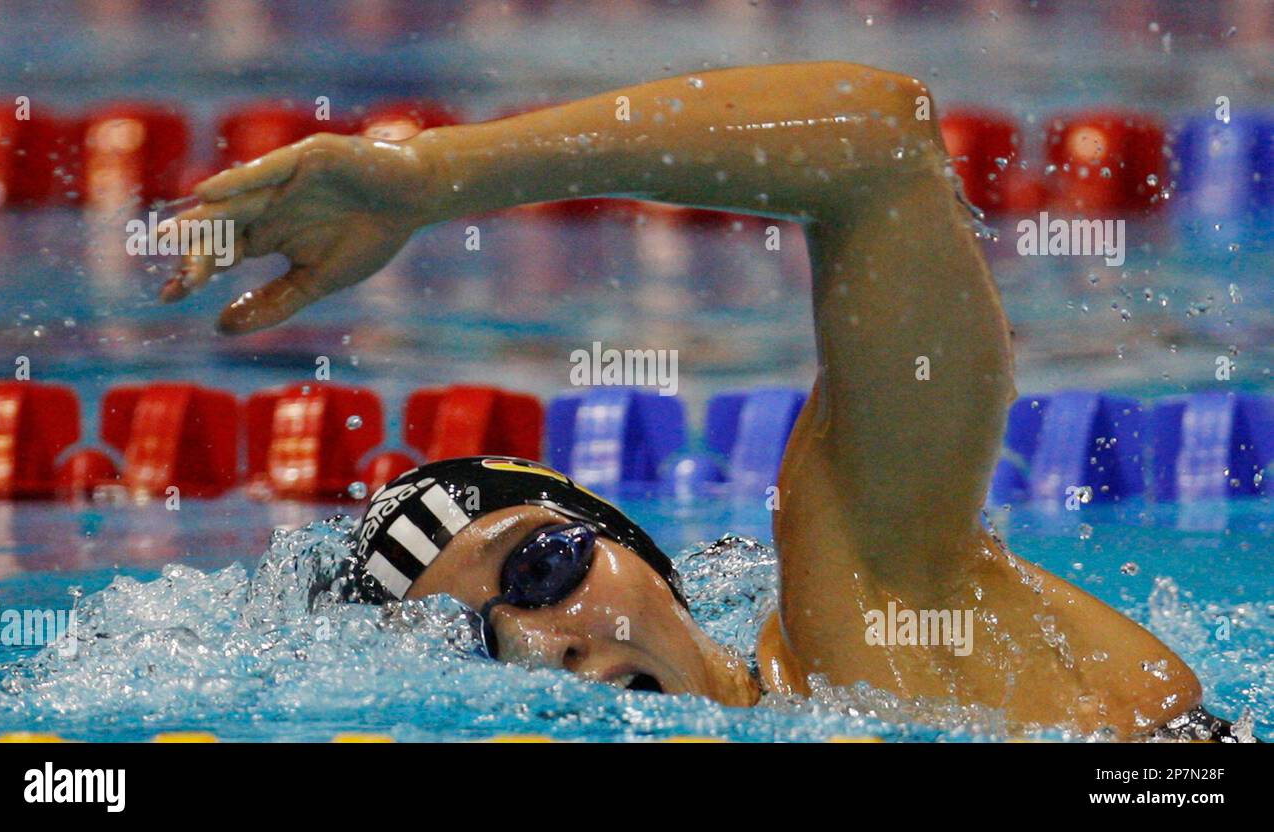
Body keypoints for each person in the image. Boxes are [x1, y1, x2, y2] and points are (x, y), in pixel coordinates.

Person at [168, 61, 1246, 740]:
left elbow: (879, 147)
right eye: (472, 646)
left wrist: (443, 176)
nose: (546, 648)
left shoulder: (867, 628)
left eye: (540, 567)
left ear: (632, 543)